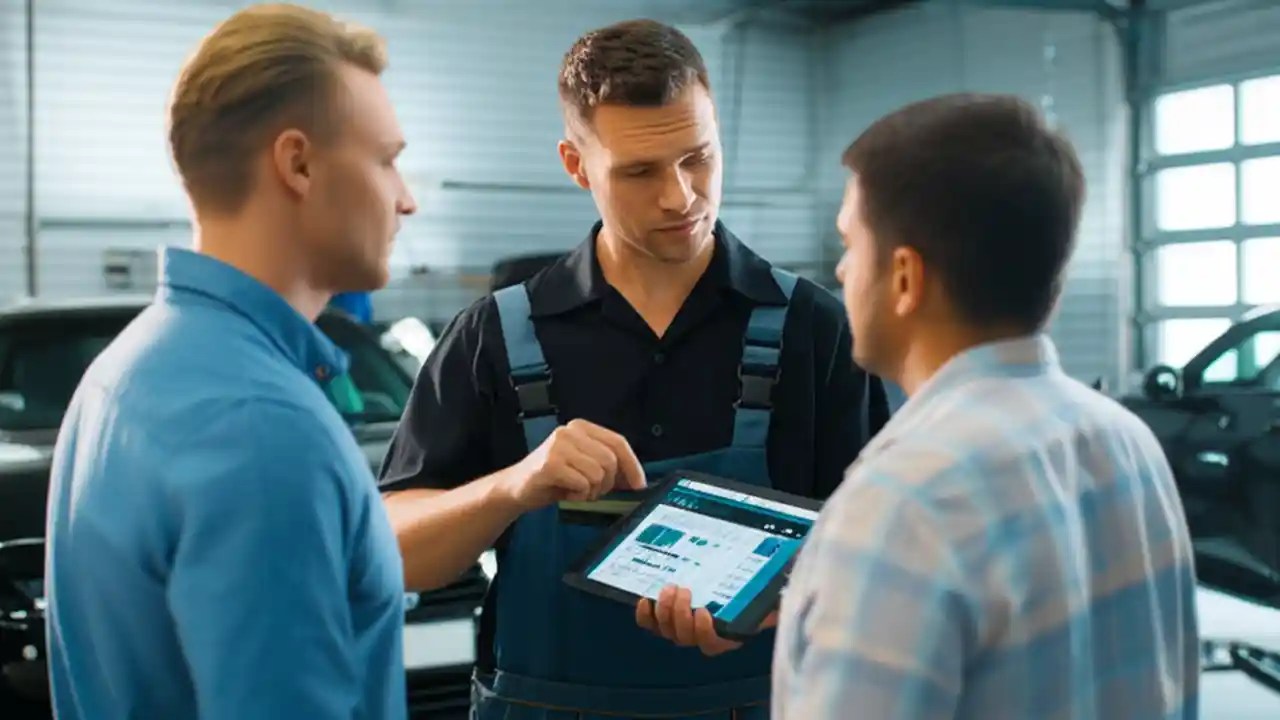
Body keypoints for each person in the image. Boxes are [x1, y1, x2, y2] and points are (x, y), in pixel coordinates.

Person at [378, 19, 889, 720]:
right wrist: (512, 487)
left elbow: (881, 561)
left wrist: (786, 601)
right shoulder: (493, 338)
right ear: (575, 163)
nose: (680, 197)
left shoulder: (813, 331)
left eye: (698, 158)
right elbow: (395, 553)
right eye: (640, 171)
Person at [771, 93, 1199, 719]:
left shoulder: (902, 503)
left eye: (849, 243)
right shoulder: (1126, 442)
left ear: (906, 278)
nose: (840, 272)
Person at [44, 5, 417, 719]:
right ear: (298, 163)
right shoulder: (262, 427)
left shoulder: (127, 372)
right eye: (387, 159)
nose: (407, 198)